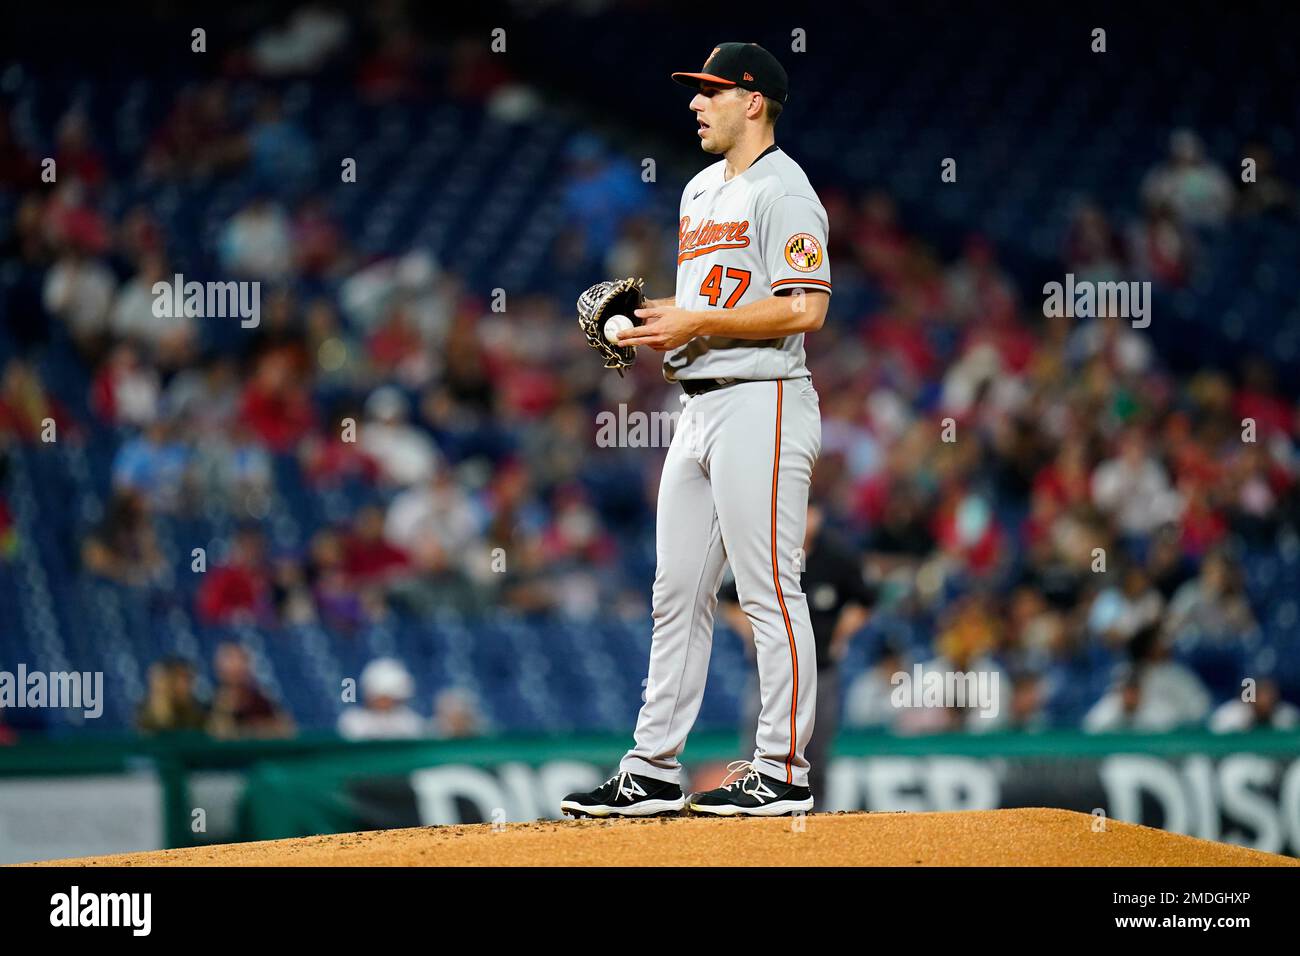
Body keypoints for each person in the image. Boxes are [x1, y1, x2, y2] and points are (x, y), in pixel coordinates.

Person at [563, 42, 831, 818]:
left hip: (765, 398)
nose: (694, 102)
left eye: (711, 90)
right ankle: (652, 768)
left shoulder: (786, 191)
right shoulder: (698, 191)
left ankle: (781, 768)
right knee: (675, 590)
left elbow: (805, 308)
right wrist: (648, 332)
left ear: (753, 101)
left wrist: (698, 319)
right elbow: (702, 314)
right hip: (698, 406)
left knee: (769, 590)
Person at [717, 502, 872, 803]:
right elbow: (729, 600)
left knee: (814, 750)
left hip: (820, 669)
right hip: (769, 672)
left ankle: (813, 817)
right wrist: (751, 632)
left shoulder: (837, 555)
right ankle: (749, 809)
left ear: (818, 515)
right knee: (755, 743)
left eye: (808, 512)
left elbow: (864, 601)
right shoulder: (768, 551)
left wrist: (841, 633)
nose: (803, 520)